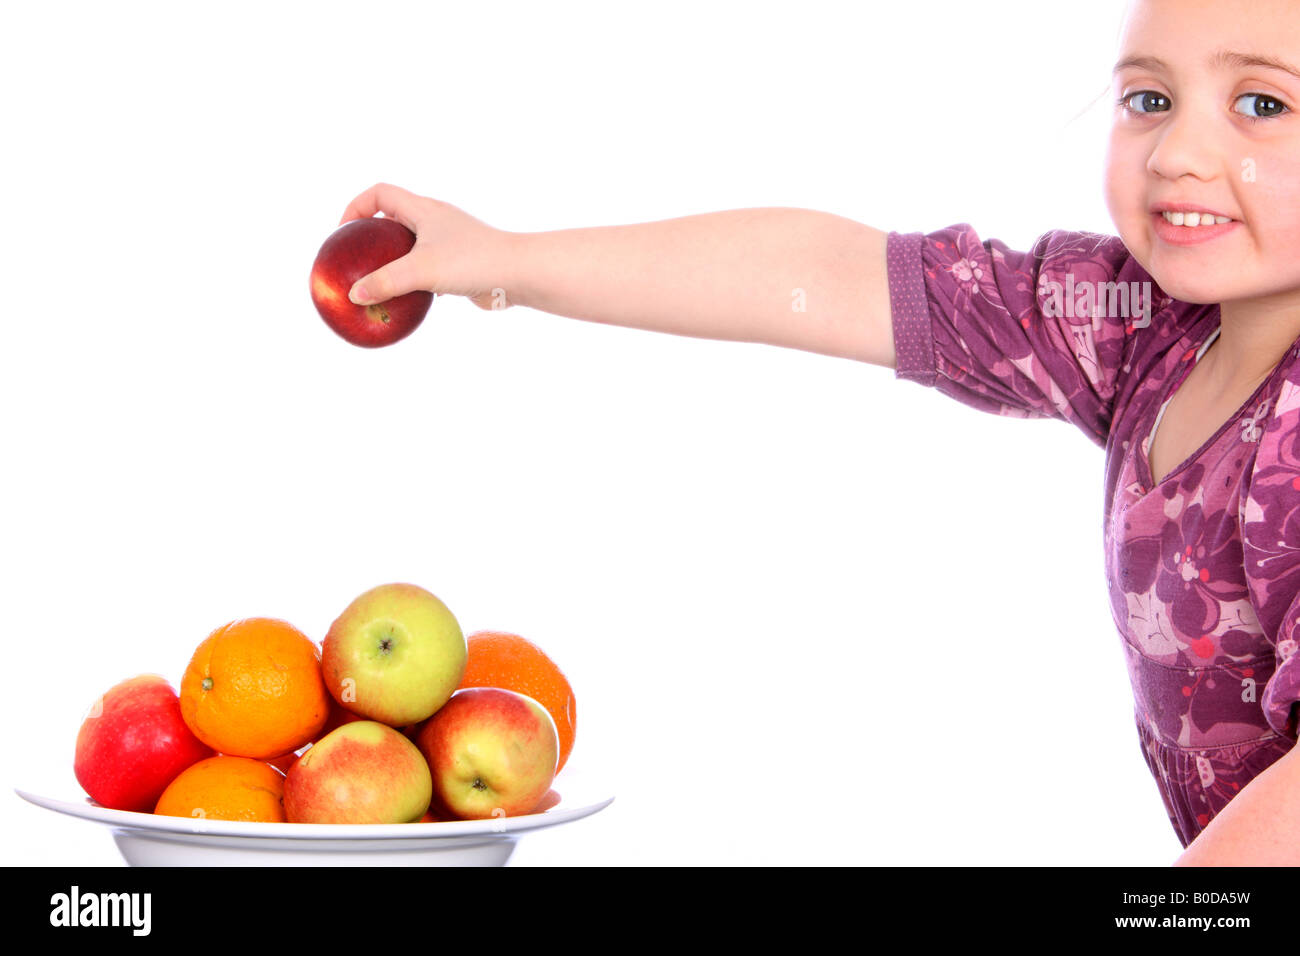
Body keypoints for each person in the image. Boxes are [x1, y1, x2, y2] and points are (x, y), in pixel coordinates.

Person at [335, 0, 1300, 865]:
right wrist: (505, 262)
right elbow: (825, 275)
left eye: (1263, 105)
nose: (1177, 152)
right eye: (1148, 98)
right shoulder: (1135, 325)